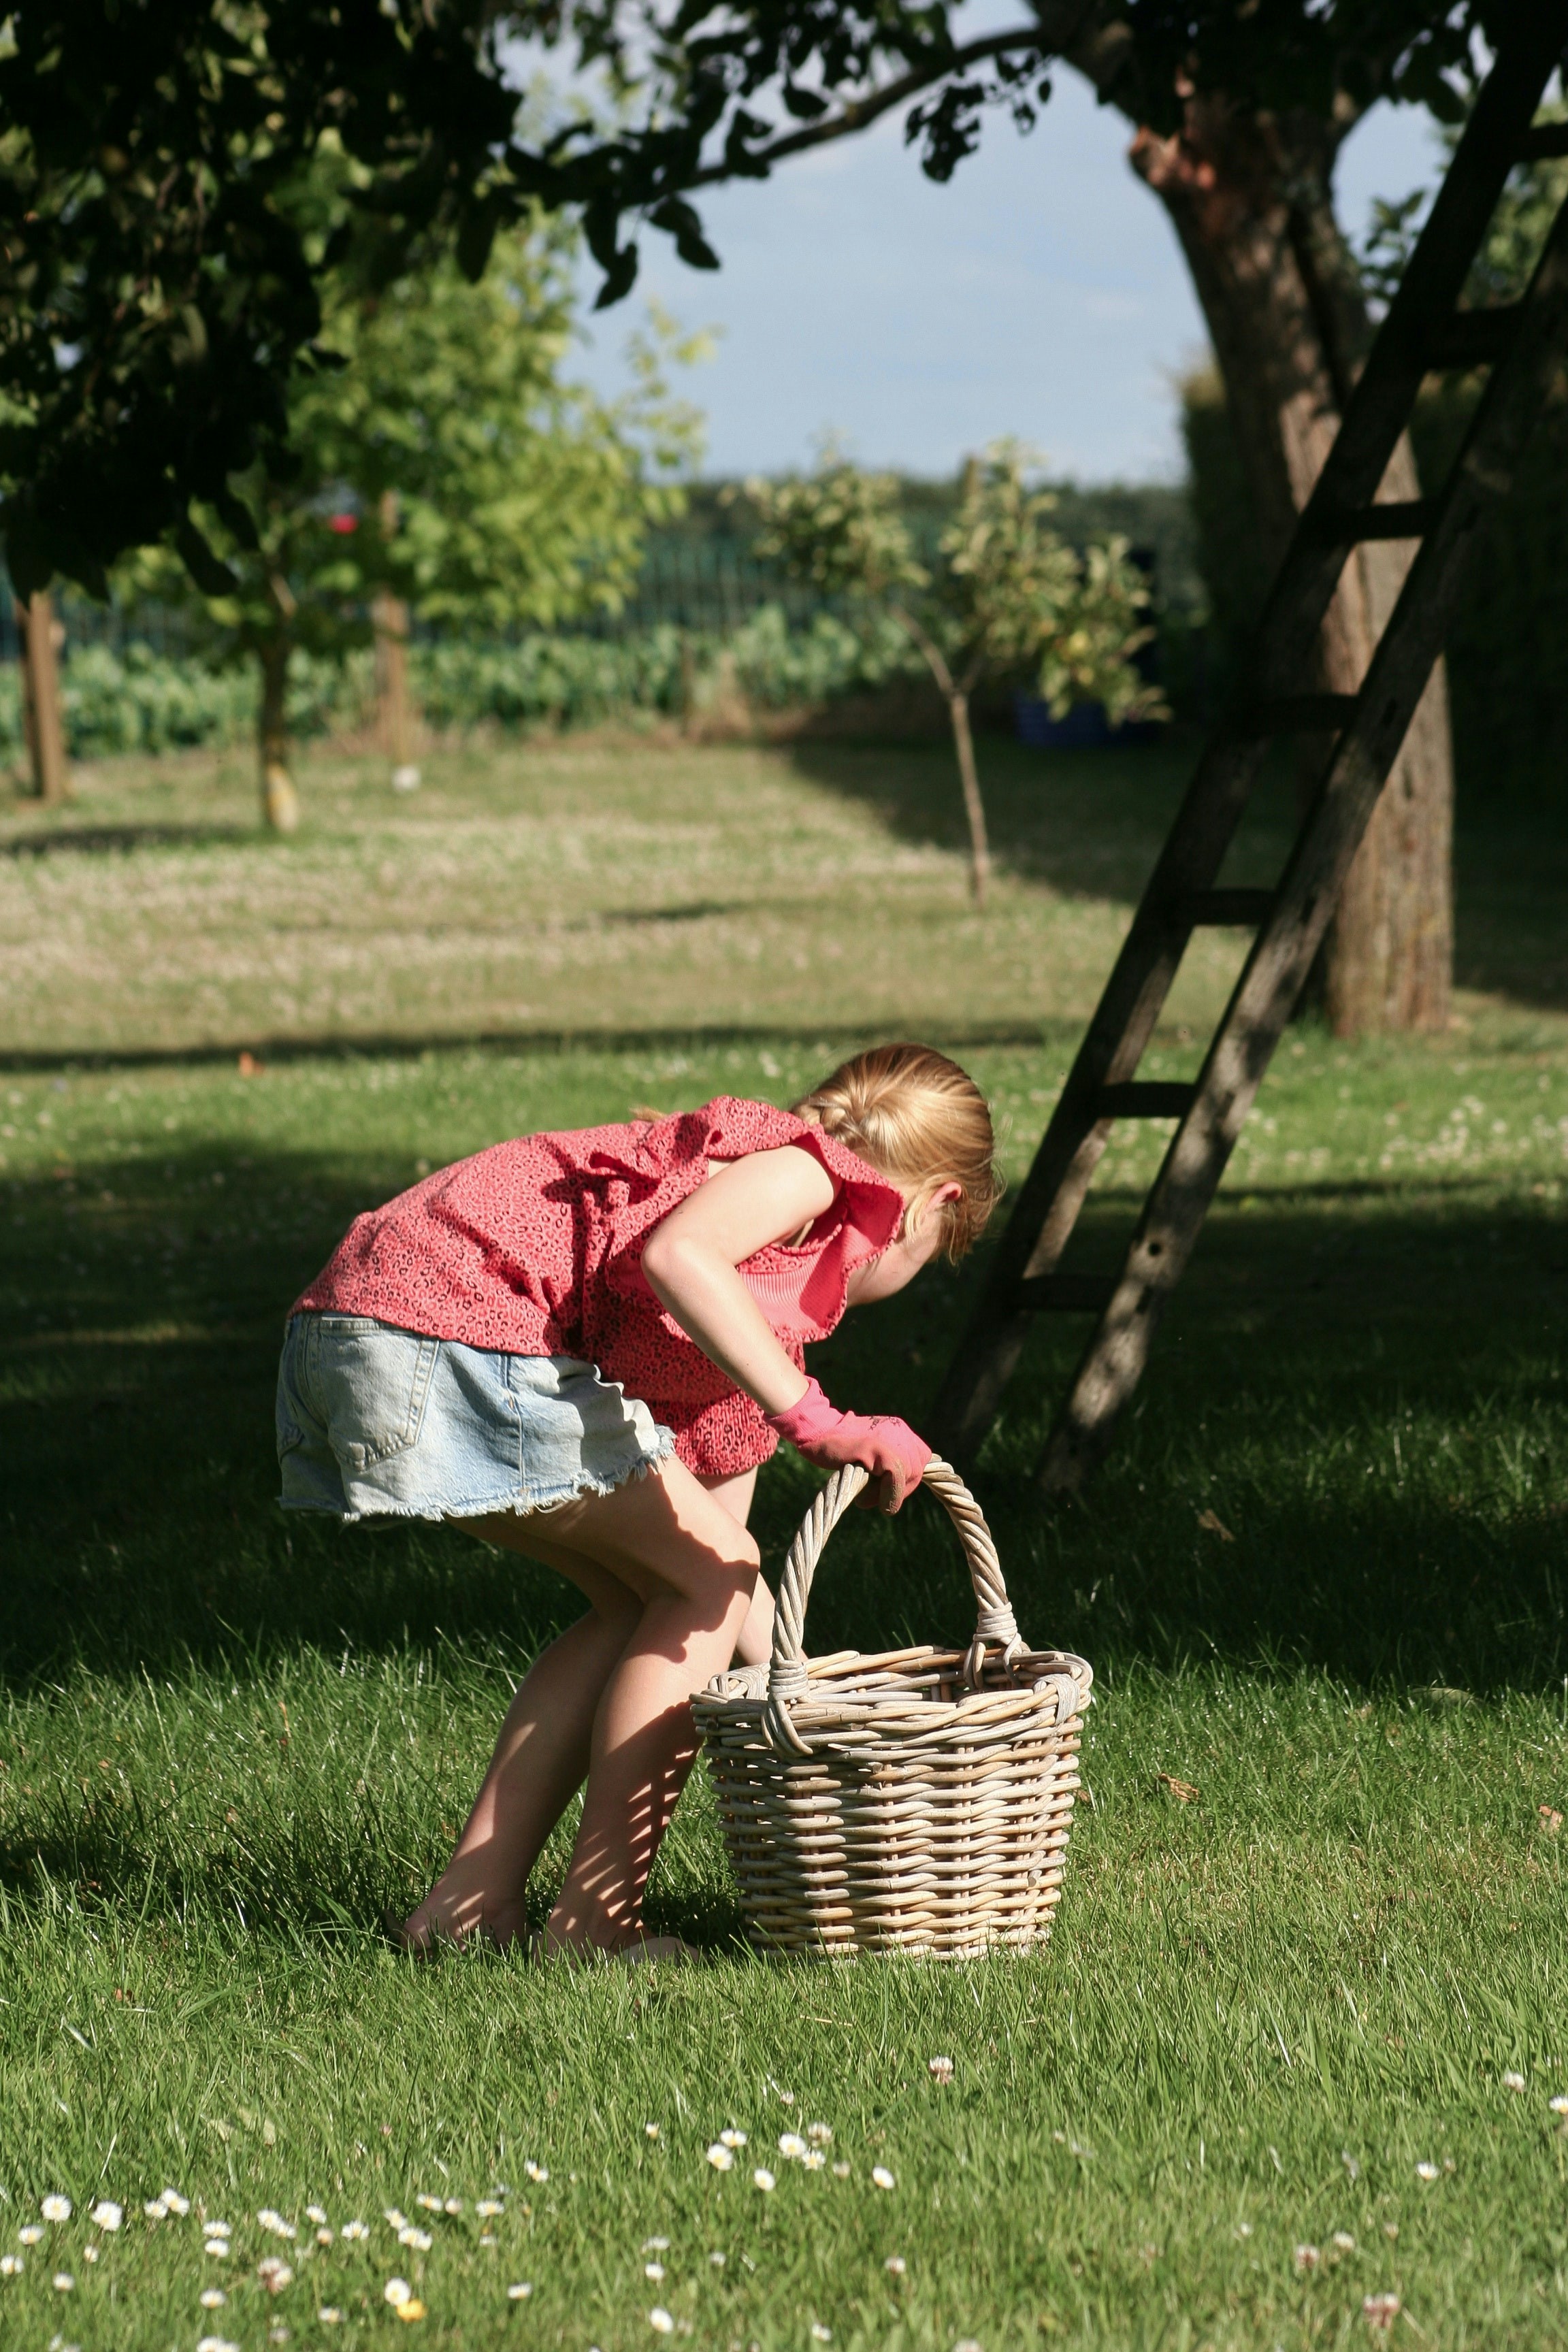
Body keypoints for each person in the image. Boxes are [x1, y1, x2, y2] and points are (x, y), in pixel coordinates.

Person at [275, 1041, 1000, 1960]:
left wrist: (811, 1694)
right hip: (440, 1326)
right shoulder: (805, 1172)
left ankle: (466, 1910)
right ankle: (595, 1927)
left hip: (357, 1333)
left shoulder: (736, 1334)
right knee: (702, 1580)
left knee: (650, 1601)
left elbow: (721, 1590)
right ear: (936, 1203)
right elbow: (680, 1254)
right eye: (934, 1255)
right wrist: (816, 1421)